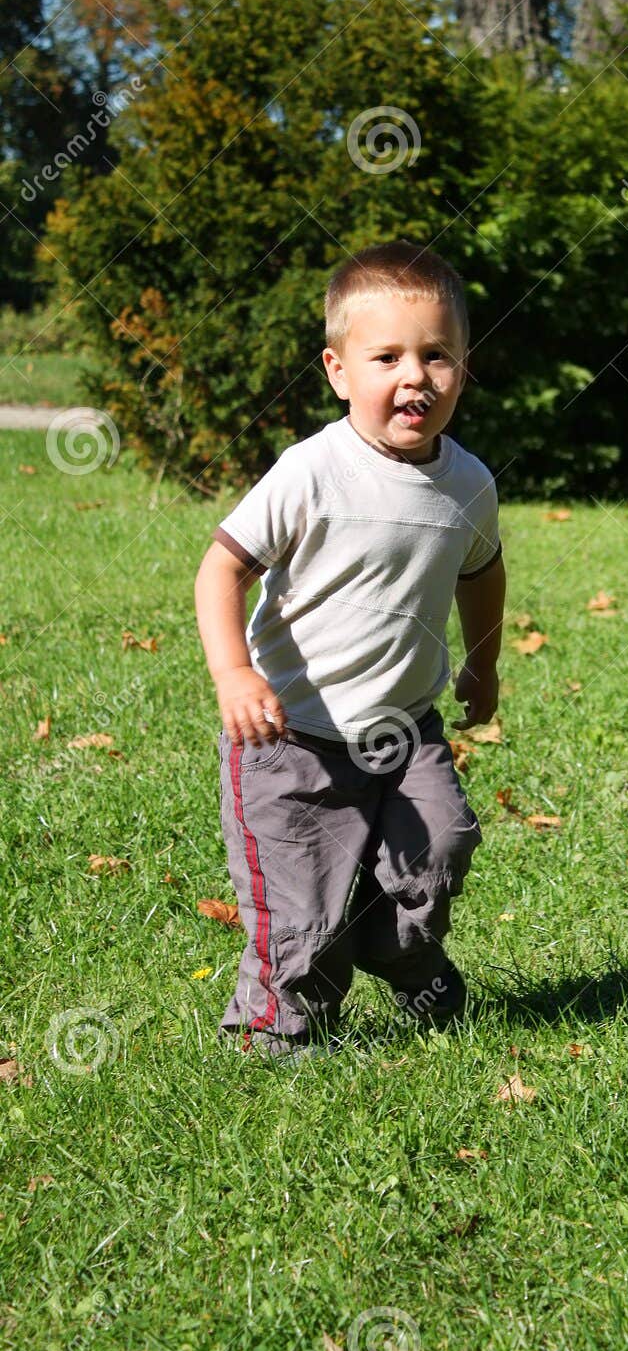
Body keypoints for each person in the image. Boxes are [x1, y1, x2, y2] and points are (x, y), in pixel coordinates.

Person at [193, 241, 505, 1056]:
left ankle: (399, 954)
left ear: (463, 368)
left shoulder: (467, 482)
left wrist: (483, 661)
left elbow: (482, 569)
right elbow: (221, 567)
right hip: (289, 739)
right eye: (387, 357)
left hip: (404, 734)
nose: (416, 377)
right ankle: (278, 1033)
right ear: (338, 371)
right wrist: (234, 672)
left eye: (437, 355)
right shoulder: (312, 472)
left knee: (442, 848)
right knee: (301, 914)